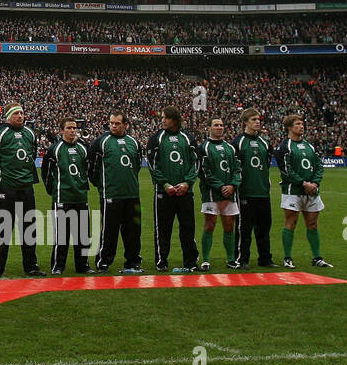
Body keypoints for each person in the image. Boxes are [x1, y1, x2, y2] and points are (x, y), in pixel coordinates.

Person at [0, 105, 43, 278]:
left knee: (29, 229)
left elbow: (32, 155)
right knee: (3, 228)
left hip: (26, 186)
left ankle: (31, 266)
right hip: (6, 186)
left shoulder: (30, 133)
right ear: (8, 116)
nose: (20, 116)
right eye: (16, 113)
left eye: (22, 112)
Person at [272, 113, 332, 269]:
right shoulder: (284, 147)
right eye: (298, 124)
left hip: (312, 191)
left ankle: (317, 257)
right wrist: (303, 183)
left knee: (312, 224)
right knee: (290, 223)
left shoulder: (310, 146)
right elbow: (286, 170)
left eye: (302, 123)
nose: (301, 126)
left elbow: (319, 166)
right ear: (290, 127)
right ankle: (287, 258)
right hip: (293, 191)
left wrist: (315, 183)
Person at [145, 107, 200, 273]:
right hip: (164, 192)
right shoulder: (156, 138)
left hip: (185, 192)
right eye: (162, 117)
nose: (162, 120)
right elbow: (153, 164)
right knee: (163, 228)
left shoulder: (188, 138)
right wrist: (165, 184)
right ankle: (161, 262)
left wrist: (187, 183)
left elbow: (195, 163)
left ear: (175, 120)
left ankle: (190, 262)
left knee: (188, 227)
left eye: (166, 118)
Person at [89, 110, 143, 274]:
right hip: (110, 195)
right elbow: (92, 169)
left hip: (132, 195)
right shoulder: (101, 142)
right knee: (108, 231)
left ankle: (133, 261)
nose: (113, 126)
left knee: (133, 231)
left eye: (117, 123)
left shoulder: (134, 142)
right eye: (111, 123)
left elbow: (137, 165)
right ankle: (103, 262)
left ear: (125, 125)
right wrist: (102, 186)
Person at [40, 117, 92, 275]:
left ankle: (83, 266)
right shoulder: (54, 149)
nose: (72, 131)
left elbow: (87, 170)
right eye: (69, 128)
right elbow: (46, 174)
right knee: (61, 236)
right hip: (62, 198)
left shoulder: (83, 148)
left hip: (81, 197)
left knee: (83, 235)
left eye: (74, 128)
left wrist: (82, 187)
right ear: (61, 130)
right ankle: (58, 266)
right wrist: (54, 191)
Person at [198, 116, 240, 271]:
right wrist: (221, 186)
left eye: (221, 125)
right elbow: (203, 172)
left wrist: (233, 186)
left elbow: (237, 169)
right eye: (216, 125)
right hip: (211, 194)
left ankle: (230, 259)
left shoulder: (230, 148)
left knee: (229, 226)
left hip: (229, 193)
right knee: (210, 224)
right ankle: (206, 259)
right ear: (209, 128)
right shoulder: (204, 147)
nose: (219, 127)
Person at [234, 108, 275, 269]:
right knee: (244, 229)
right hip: (245, 192)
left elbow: (266, 164)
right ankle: (242, 258)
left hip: (263, 191)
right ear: (245, 122)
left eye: (258, 119)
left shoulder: (265, 143)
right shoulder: (238, 143)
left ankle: (265, 258)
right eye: (253, 120)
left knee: (264, 227)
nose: (257, 122)